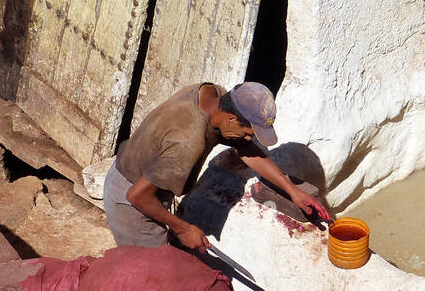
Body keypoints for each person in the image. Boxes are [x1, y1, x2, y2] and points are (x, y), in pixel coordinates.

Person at [103, 81, 330, 251]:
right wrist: (182, 228)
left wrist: (293, 191)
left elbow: (246, 149)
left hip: (148, 182)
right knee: (153, 276)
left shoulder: (213, 95)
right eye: (247, 132)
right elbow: (138, 196)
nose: (248, 139)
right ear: (230, 119)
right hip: (129, 198)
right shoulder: (187, 143)